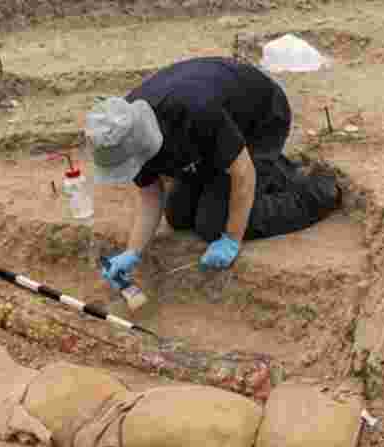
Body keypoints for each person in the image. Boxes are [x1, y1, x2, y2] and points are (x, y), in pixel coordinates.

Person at [83, 56, 341, 291]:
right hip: (211, 133)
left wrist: (232, 239)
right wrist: (133, 252)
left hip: (259, 119)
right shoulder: (122, 130)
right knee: (179, 216)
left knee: (212, 223)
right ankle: (262, 170)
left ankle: (317, 191)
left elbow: (243, 173)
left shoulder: (193, 112)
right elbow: (150, 195)